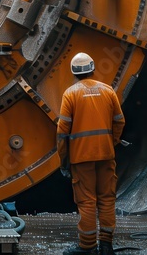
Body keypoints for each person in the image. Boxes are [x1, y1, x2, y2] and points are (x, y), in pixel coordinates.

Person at [57, 53, 125, 255]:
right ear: (93, 69)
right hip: (106, 155)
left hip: (81, 158)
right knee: (107, 199)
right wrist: (111, 143)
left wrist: (64, 160)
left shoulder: (70, 94)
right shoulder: (108, 90)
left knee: (87, 202)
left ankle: (87, 246)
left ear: (74, 74)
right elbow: (119, 121)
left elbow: (62, 132)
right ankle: (106, 245)